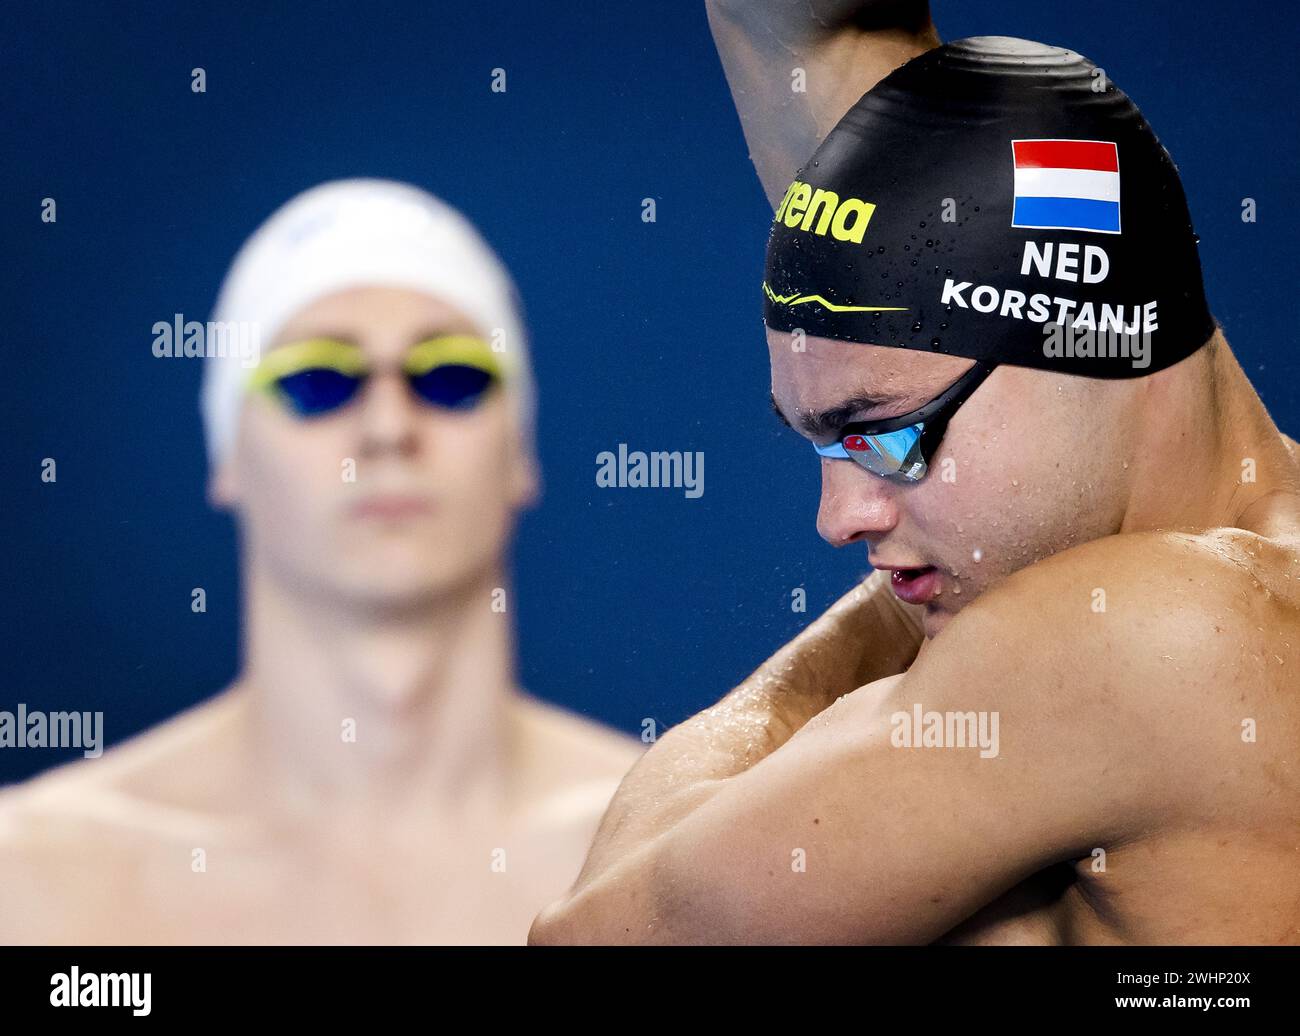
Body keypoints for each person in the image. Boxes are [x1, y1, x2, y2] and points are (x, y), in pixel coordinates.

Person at [529, 3, 1300, 944]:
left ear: (1082, 356)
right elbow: (835, 77)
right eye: (822, 444)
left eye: (885, 432)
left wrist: (883, 618)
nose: (839, 518)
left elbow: (594, 936)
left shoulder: (1147, 635)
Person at [0, 179, 642, 944]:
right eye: (315, 383)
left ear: (521, 453)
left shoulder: (669, 853)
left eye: (451, 377)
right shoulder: (33, 881)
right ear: (228, 455)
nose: (387, 427)